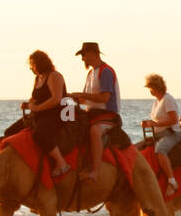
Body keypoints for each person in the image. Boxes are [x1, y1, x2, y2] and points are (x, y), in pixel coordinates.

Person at [71, 41, 121, 181]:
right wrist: (71, 97)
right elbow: (86, 100)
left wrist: (81, 95)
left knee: (95, 131)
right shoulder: (90, 73)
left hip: (108, 115)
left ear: (93, 53)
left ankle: (95, 171)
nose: (82, 58)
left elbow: (105, 98)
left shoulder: (106, 71)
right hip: (91, 113)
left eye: (84, 55)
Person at [22, 50, 71, 177]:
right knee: (10, 131)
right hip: (39, 114)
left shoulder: (54, 76)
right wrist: (28, 104)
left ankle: (62, 163)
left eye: (32, 64)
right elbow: (37, 97)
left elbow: (56, 99)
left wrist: (37, 108)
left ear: (39, 63)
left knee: (39, 135)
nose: (30, 68)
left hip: (56, 114)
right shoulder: (38, 78)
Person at [142, 73, 181, 195]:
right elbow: (157, 120)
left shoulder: (167, 99)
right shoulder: (156, 102)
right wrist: (148, 123)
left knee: (160, 150)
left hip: (170, 134)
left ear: (156, 87)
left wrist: (153, 124)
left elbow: (174, 120)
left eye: (150, 88)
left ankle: (172, 180)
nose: (149, 90)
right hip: (158, 134)